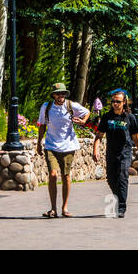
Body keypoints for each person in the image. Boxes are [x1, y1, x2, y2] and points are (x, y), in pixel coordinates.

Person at [36, 82, 89, 218]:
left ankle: (64, 208)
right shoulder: (46, 107)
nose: (61, 96)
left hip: (68, 146)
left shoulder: (71, 106)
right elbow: (42, 125)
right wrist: (38, 143)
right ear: (54, 95)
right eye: (58, 93)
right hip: (51, 145)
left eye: (63, 93)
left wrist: (83, 121)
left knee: (66, 176)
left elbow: (87, 112)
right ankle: (53, 209)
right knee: (53, 175)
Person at [92, 89, 138, 218]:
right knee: (110, 179)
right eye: (113, 101)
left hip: (124, 152)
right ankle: (118, 196)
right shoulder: (107, 117)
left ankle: (121, 206)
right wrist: (95, 149)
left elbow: (136, 138)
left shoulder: (130, 118)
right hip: (111, 152)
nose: (115, 104)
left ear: (124, 102)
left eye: (118, 101)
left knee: (122, 176)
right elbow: (99, 136)